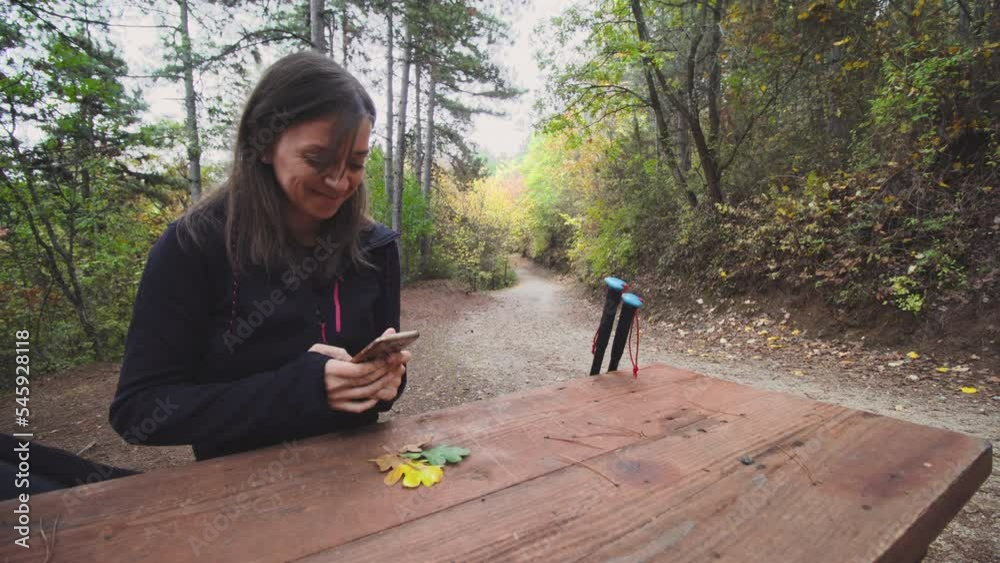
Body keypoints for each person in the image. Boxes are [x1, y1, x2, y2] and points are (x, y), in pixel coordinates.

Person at [109, 51, 409, 461]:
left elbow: (380, 395)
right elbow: (139, 410)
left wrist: (383, 380)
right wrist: (302, 389)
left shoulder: (376, 248)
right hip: (237, 494)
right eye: (318, 160)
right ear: (264, 145)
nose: (341, 182)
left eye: (356, 163)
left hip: (359, 478)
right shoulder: (194, 246)